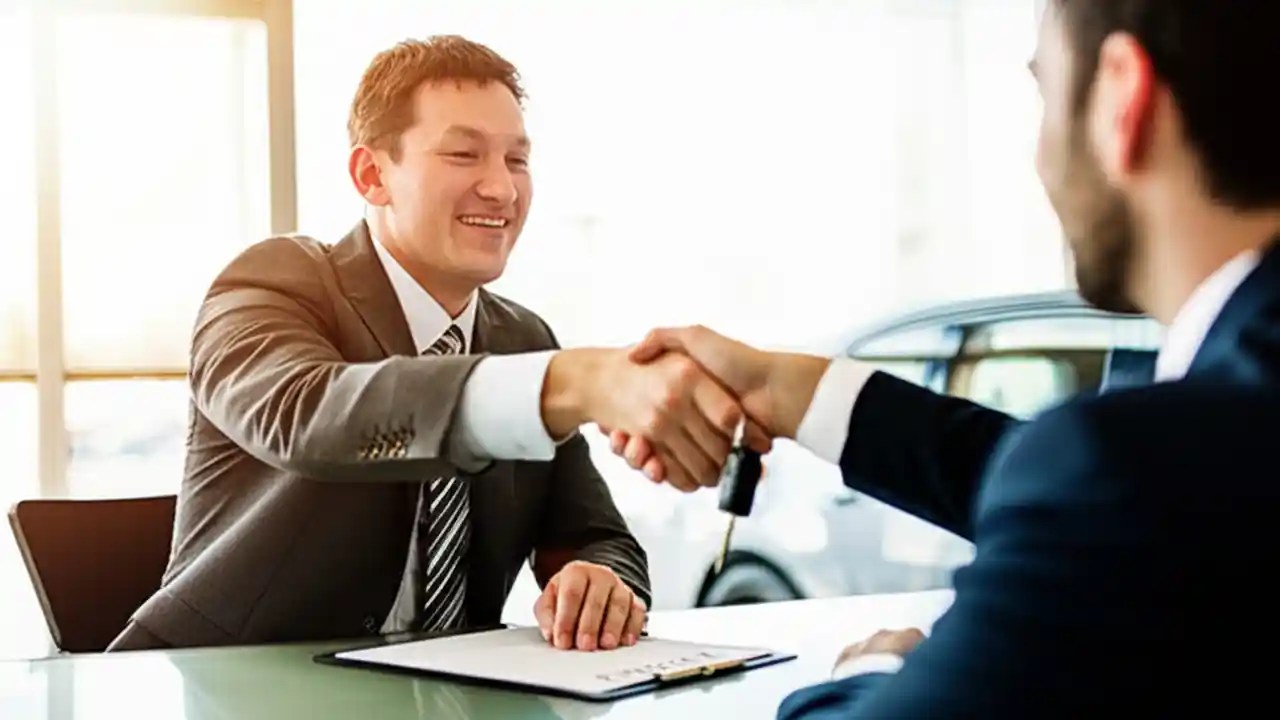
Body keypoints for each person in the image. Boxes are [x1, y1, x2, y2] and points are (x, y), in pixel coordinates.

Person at [607, 1, 1280, 715]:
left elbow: (1122, 495)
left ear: (1123, 95)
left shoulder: (1126, 469)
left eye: (1045, 93)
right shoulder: (1206, 444)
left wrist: (873, 671)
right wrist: (794, 391)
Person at [108, 35, 745, 653]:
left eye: (516, 159)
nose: (502, 188)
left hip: (440, 693)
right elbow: (310, 417)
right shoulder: (277, 281)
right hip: (232, 687)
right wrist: (568, 383)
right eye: (464, 155)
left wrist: (599, 578)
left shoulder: (522, 338)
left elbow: (596, 536)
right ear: (371, 174)